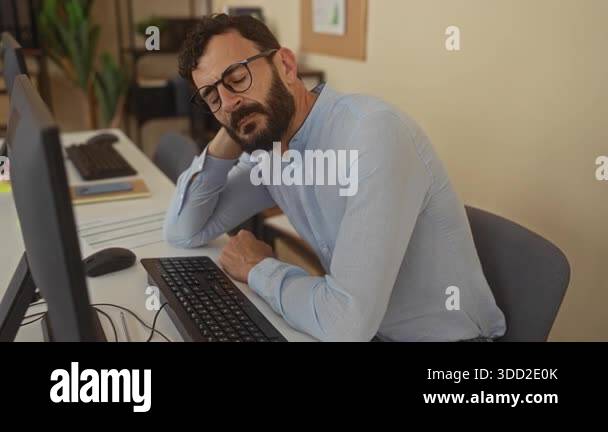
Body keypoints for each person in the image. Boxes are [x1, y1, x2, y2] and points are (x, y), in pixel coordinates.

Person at [164, 14, 506, 342]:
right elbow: (184, 230)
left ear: (284, 65)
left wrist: (259, 268)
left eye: (237, 78)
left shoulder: (373, 134)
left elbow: (346, 325)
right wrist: (232, 120)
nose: (226, 101)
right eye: (211, 96)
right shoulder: (270, 149)